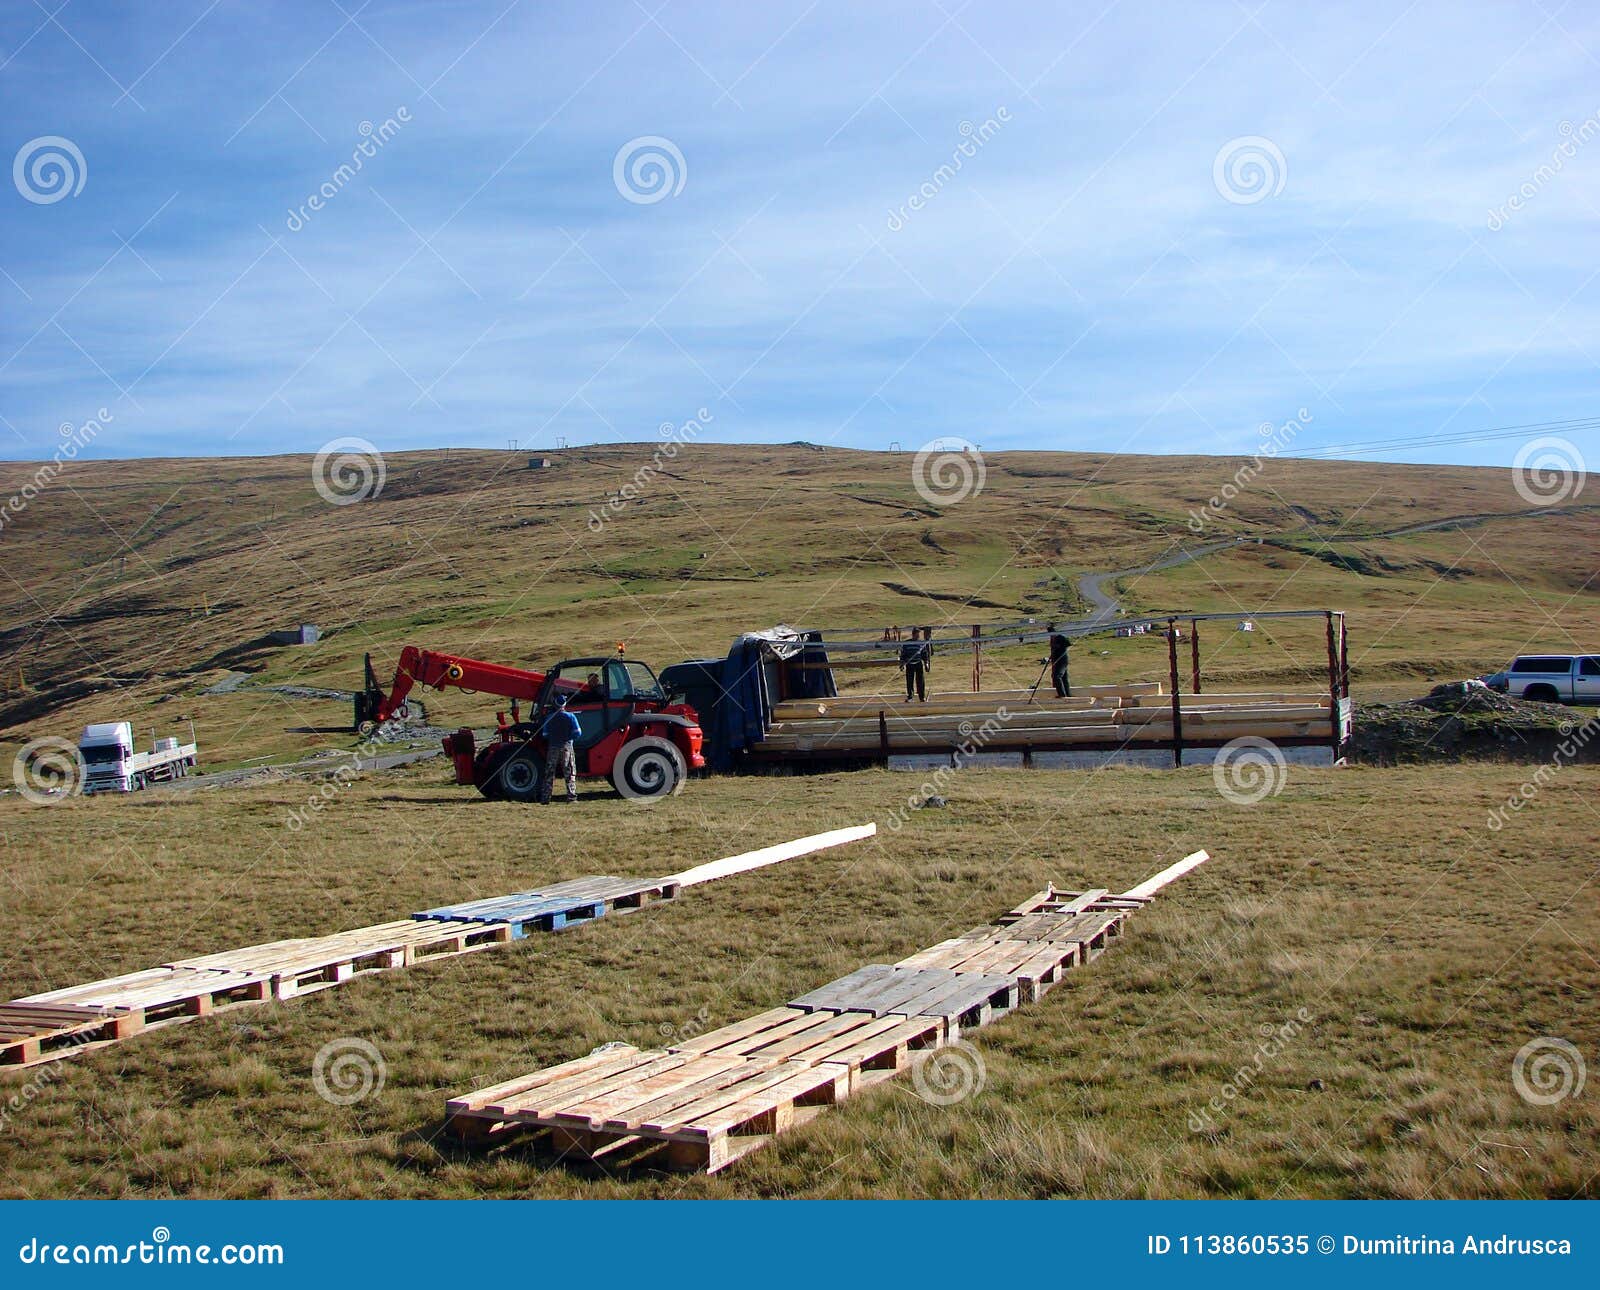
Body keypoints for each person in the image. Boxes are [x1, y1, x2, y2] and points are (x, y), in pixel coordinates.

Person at [538, 693, 581, 803]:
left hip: (553, 746)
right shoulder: (571, 717)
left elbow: (545, 734)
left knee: (550, 771)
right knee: (569, 771)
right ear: (564, 705)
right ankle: (571, 796)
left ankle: (546, 797)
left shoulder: (549, 718)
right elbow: (578, 733)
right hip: (567, 746)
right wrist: (569, 738)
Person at [899, 636, 932, 702]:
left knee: (920, 681)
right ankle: (910, 697)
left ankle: (922, 697)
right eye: (916, 635)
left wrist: (926, 664)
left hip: (918, 663)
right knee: (909, 681)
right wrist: (902, 664)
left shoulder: (920, 643)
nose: (917, 636)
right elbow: (903, 654)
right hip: (909, 664)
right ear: (913, 634)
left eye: (918, 635)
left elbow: (924, 654)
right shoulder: (907, 643)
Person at [1048, 633, 1072, 698]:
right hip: (1058, 660)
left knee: (1056, 676)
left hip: (1062, 659)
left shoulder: (1060, 637)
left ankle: (1062, 694)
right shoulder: (1054, 639)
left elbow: (1068, 644)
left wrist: (1058, 646)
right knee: (1063, 677)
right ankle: (1067, 694)